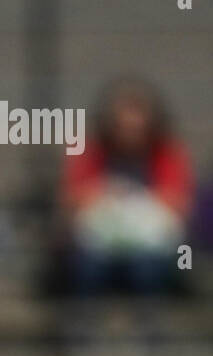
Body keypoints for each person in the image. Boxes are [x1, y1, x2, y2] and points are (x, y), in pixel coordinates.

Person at [61, 79, 192, 301]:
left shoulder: (167, 154)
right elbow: (72, 199)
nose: (130, 134)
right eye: (123, 127)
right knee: (86, 267)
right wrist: (106, 194)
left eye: (137, 128)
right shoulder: (91, 153)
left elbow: (179, 203)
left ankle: (152, 327)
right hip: (100, 249)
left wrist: (139, 199)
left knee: (148, 270)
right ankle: (81, 325)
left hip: (152, 251)